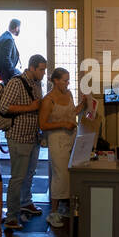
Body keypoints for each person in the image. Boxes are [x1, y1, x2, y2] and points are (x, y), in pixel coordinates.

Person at [0, 53, 47, 230]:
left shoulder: (37, 83)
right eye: (41, 69)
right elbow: (4, 107)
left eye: (44, 70)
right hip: (18, 137)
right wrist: (30, 108)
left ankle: (26, 202)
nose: (43, 73)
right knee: (17, 177)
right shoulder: (16, 83)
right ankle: (11, 217)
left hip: (33, 136)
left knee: (29, 174)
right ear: (31, 68)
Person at [39, 68, 78, 227]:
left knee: (70, 174)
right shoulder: (48, 100)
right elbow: (42, 125)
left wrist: (84, 104)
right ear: (55, 80)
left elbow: (72, 113)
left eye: (68, 80)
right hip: (57, 140)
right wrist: (63, 124)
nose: (68, 83)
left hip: (71, 137)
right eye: (65, 80)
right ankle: (53, 213)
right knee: (60, 175)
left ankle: (65, 206)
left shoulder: (69, 94)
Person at [0, 18, 21, 84]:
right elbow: (6, 59)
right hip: (5, 73)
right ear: (17, 28)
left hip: (3, 71)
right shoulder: (9, 39)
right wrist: (14, 72)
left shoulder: (4, 36)